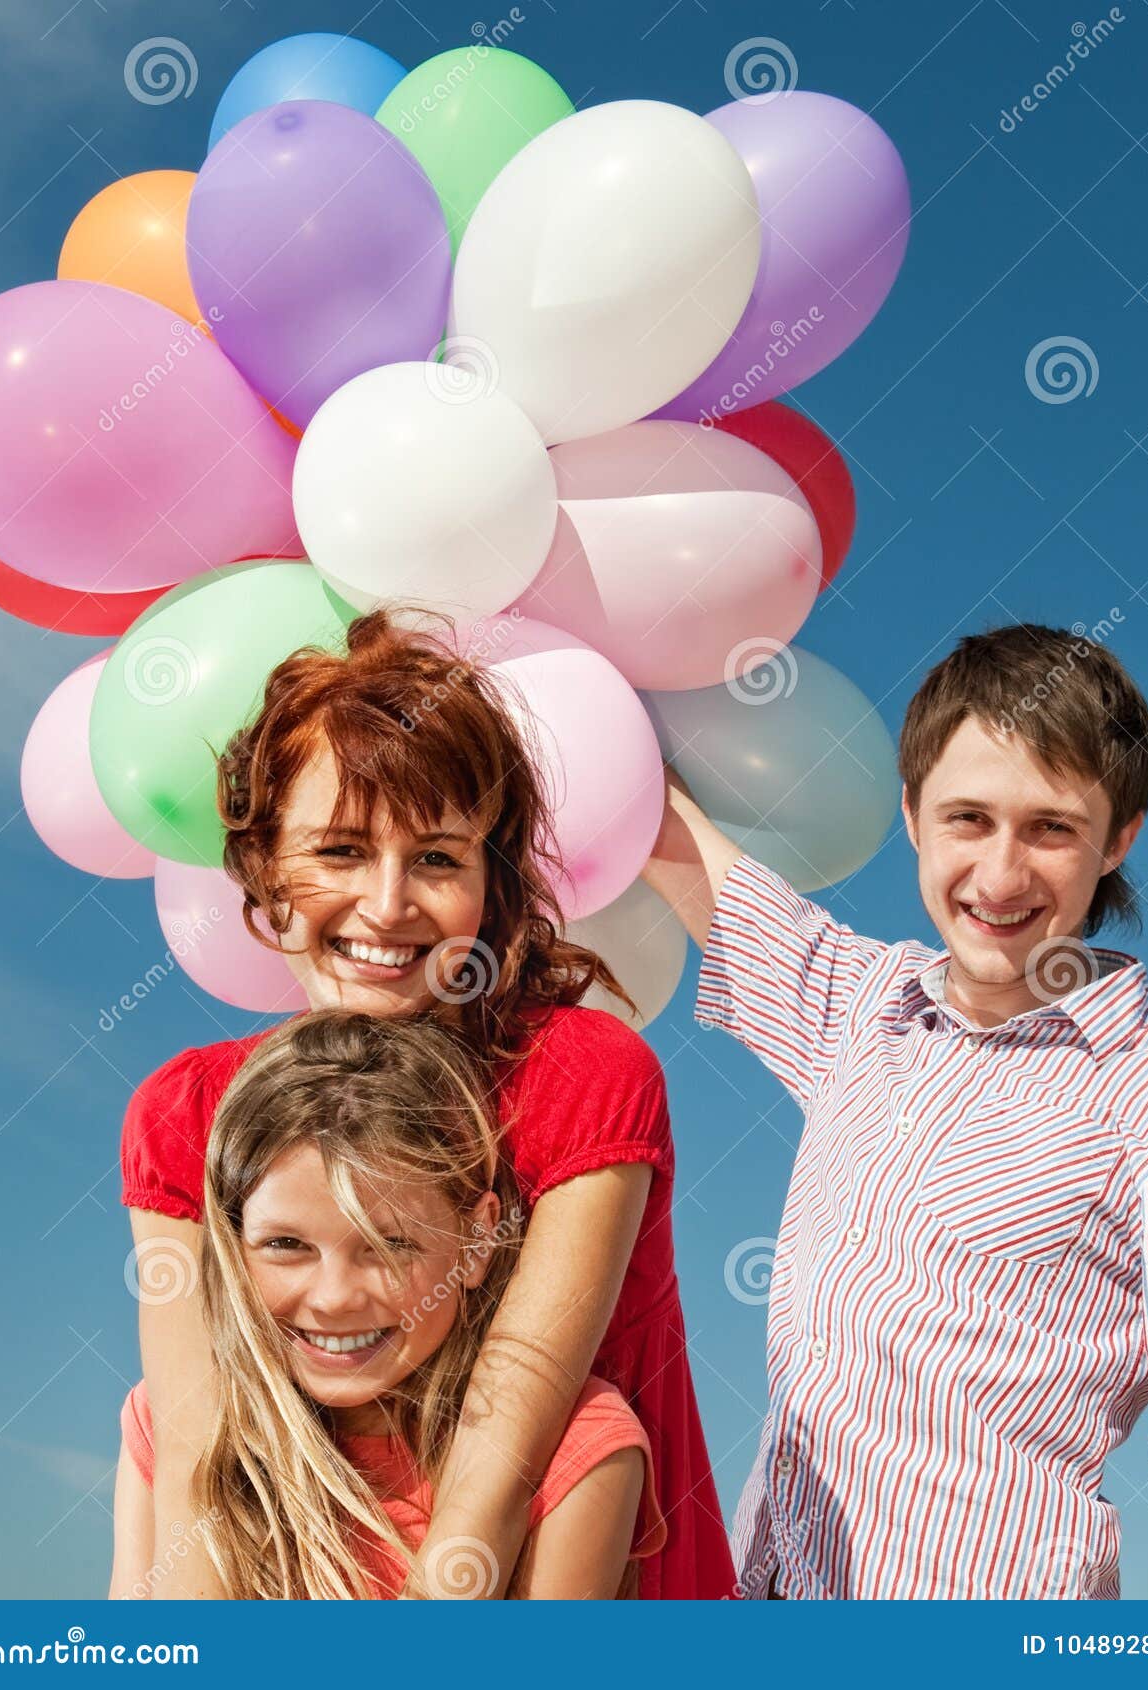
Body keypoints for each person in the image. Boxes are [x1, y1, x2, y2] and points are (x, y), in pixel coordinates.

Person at [643, 623, 1148, 1600]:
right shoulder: (859, 1008)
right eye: (968, 819)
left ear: (1120, 835)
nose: (998, 876)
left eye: (1051, 828)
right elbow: (658, 822)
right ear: (911, 814)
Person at [120, 607, 734, 1599]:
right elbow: (203, 1459)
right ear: (266, 869)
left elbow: (502, 1455)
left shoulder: (581, 1074)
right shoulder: (185, 1111)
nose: (389, 902)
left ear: (488, 887)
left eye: (438, 858)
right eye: (340, 851)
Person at [111, 1011, 664, 1599]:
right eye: (285, 1245)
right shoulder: (164, 1419)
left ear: (477, 1242)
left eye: (387, 1245)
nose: (334, 1298)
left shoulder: (580, 1448)